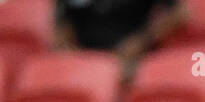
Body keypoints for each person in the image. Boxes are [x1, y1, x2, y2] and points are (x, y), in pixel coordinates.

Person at [54, 0, 189, 82]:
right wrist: (70, 54)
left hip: (134, 57)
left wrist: (142, 41)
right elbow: (62, 22)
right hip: (85, 60)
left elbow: (180, 13)